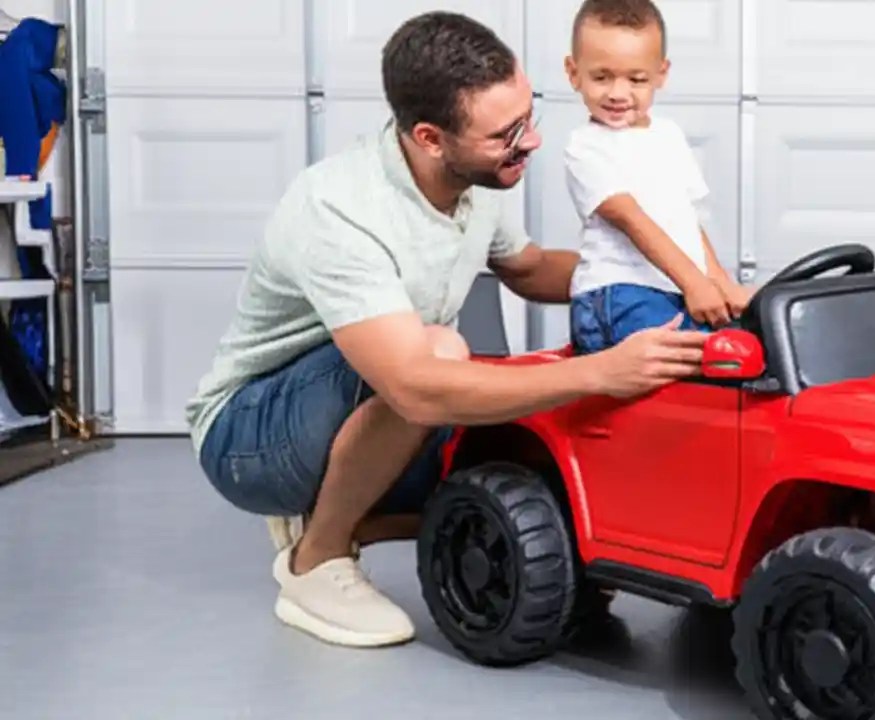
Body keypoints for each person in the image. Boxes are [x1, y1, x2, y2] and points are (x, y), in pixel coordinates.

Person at [184, 11, 708, 649]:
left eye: (529, 115)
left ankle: (342, 512)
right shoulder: (340, 209)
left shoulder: (475, 180)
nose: (532, 141)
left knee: (513, 457)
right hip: (251, 435)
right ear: (432, 138)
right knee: (441, 354)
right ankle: (315, 560)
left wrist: (675, 279)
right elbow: (415, 388)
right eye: (507, 133)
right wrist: (599, 371)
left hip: (372, 399)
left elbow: (533, 269)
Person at [561, 0, 755, 354]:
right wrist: (695, 283)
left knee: (741, 352)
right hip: (619, 294)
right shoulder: (586, 146)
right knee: (699, 359)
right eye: (601, 77)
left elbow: (686, 221)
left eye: (636, 79)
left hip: (674, 286)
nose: (618, 93)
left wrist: (720, 282)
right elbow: (632, 220)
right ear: (573, 73)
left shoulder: (668, 136)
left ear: (661, 74)